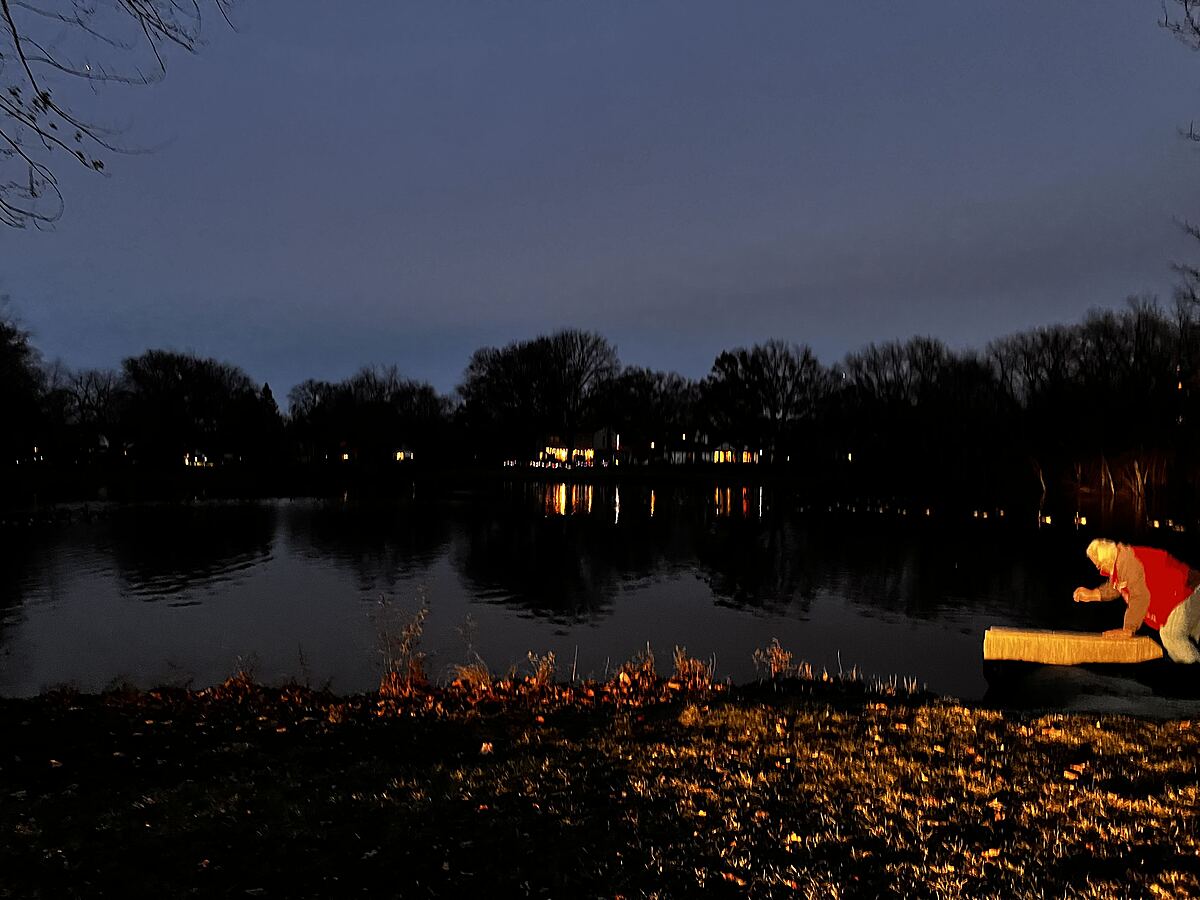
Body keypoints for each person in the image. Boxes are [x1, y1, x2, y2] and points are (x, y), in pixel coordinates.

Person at [1074, 538, 1200, 663]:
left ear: (1106, 558)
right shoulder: (1121, 564)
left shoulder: (1128, 562)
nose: (1097, 567)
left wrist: (1128, 629)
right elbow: (1116, 586)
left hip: (1187, 590)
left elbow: (1140, 597)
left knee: (1171, 635)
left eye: (1098, 563)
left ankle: (1190, 672)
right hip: (1189, 590)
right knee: (1194, 629)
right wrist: (1093, 594)